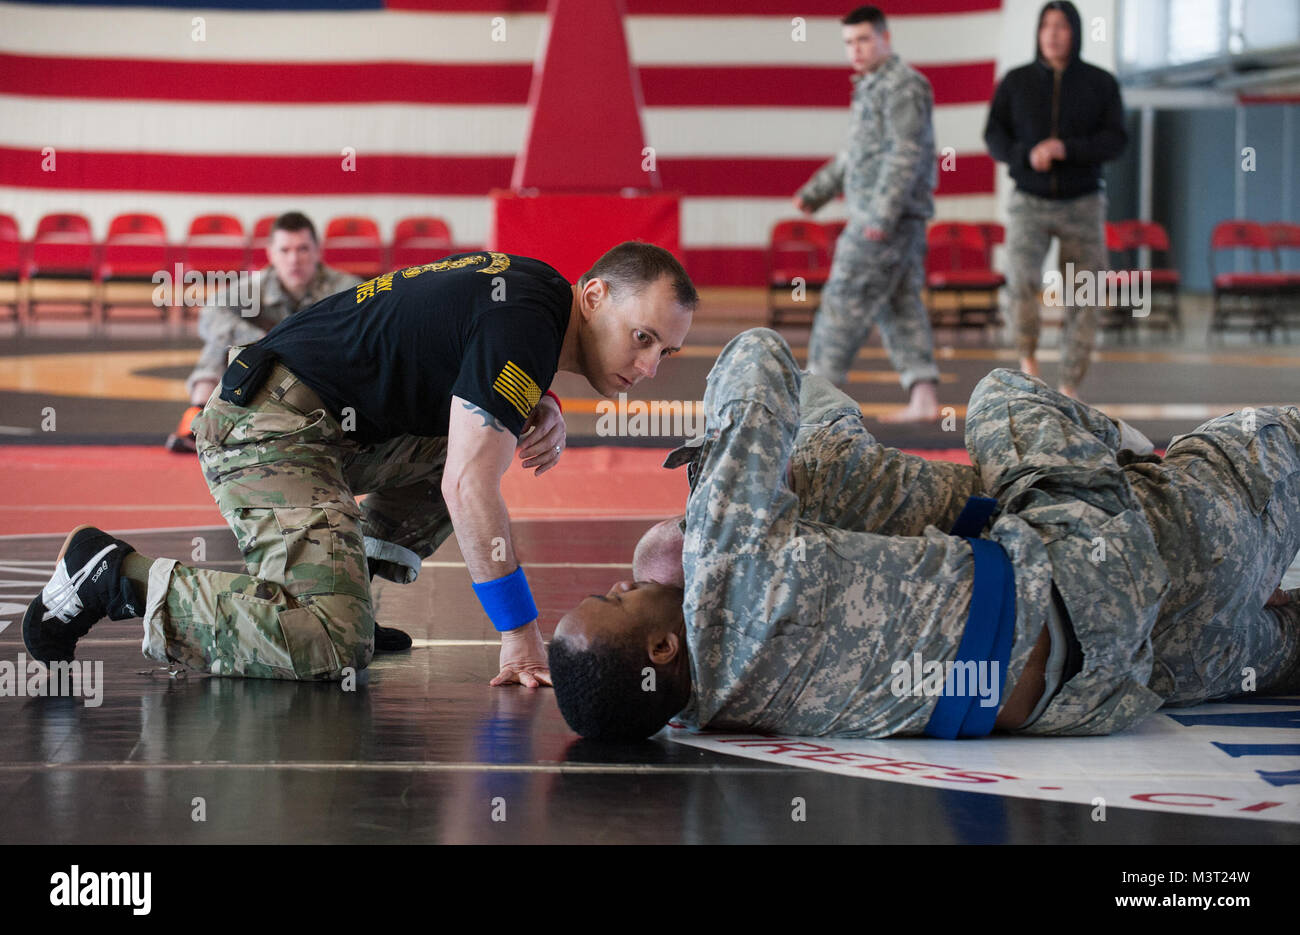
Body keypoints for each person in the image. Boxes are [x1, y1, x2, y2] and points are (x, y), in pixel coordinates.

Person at [549, 328, 1300, 740]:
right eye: (613, 599)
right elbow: (758, 357)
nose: (623, 583)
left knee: (1271, 650)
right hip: (1092, 572)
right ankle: (1132, 462)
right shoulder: (725, 563)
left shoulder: (707, 711)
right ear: (658, 646)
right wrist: (715, 475)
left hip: (1097, 695)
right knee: (998, 397)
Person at [25, 243, 697, 687]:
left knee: (483, 434)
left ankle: (351, 582)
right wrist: (521, 633)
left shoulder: (533, 299)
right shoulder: (527, 322)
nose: (646, 367)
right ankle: (115, 577)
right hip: (268, 428)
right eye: (642, 337)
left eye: (664, 352)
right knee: (331, 644)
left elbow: (461, 366)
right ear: (595, 296)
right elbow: (464, 483)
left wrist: (540, 399)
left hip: (312, 418)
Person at [793, 5, 941, 423]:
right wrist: (816, 192)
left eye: (862, 40)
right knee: (898, 305)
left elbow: (904, 155)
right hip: (896, 221)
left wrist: (878, 216)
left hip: (884, 223)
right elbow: (854, 156)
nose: (854, 50)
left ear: (884, 38)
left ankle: (815, 402)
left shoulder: (903, 86)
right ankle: (924, 395)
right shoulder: (871, 86)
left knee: (843, 301)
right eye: (848, 43)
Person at [983, 0, 1127, 398]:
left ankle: (1069, 383)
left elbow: (1116, 139)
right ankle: (1028, 362)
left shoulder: (1100, 83)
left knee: (1085, 290)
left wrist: (1068, 149)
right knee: (1022, 280)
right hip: (1029, 199)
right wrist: (1026, 155)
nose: (1053, 33)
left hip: (1082, 201)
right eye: (1046, 25)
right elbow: (994, 135)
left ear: (1074, 32)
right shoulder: (1015, 82)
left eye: (1061, 26)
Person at [166, 212, 359, 453]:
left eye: (303, 249)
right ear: (270, 253)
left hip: (320, 373)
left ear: (317, 251)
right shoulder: (255, 287)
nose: (294, 259)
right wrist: (259, 340)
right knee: (222, 340)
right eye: (284, 250)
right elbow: (210, 314)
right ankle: (197, 415)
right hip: (267, 368)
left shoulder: (346, 288)